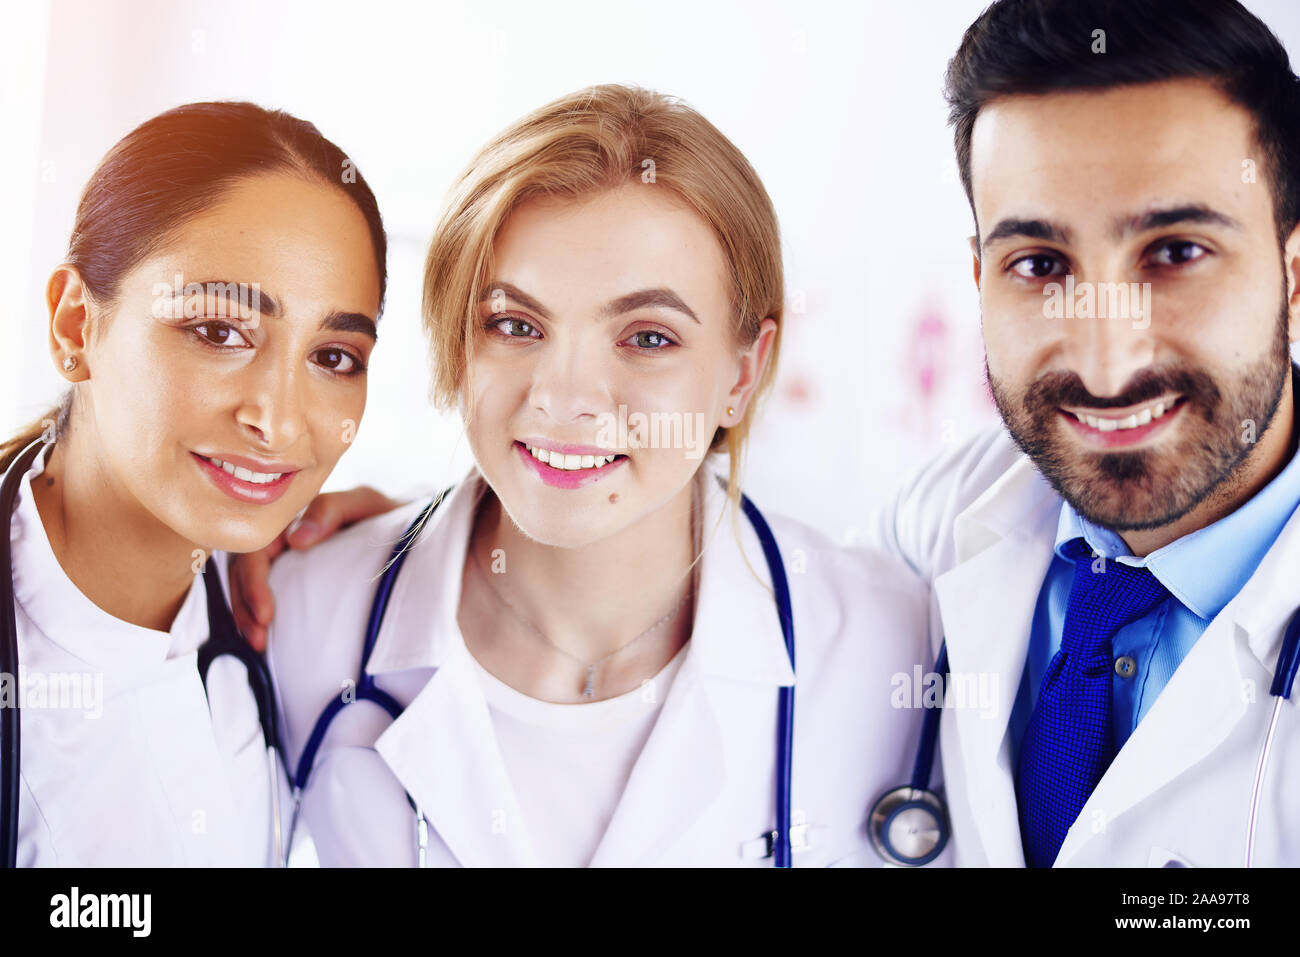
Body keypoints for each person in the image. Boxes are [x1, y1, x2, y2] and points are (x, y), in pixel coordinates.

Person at [251, 84, 940, 867]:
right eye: (515, 324)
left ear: (743, 373)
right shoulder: (301, 614)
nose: (566, 398)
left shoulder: (895, 646)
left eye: (647, 337)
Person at [871, 0, 1300, 866]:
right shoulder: (936, 525)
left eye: (1175, 252)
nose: (1107, 364)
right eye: (1039, 265)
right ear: (981, 276)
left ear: (1294, 275)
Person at [0, 101, 387, 866]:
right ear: (76, 326)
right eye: (219, 332)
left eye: (334, 357)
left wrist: (408, 539)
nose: (279, 424)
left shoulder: (284, 601)